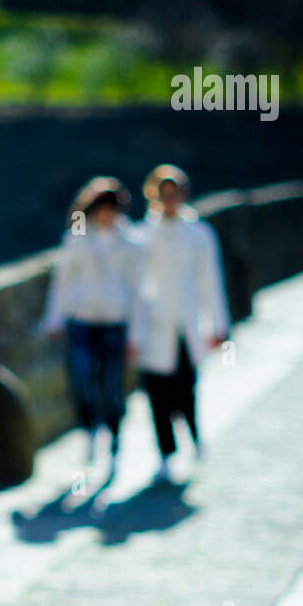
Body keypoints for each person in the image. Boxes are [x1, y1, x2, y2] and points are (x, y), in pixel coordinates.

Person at [131, 164, 230, 479]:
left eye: (175, 194)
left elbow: (211, 282)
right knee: (157, 393)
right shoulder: (142, 235)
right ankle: (166, 452)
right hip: (154, 325)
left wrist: (219, 326)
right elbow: (135, 287)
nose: (170, 199)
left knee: (186, 388)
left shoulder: (199, 234)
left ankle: (195, 437)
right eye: (164, 194)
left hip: (187, 324)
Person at [40, 176, 141, 473]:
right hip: (82, 322)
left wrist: (137, 332)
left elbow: (136, 291)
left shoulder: (130, 244)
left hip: (114, 322)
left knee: (111, 385)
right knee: (82, 380)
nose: (107, 215)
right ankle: (89, 432)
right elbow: (63, 282)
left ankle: (114, 438)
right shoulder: (77, 239)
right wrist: (54, 318)